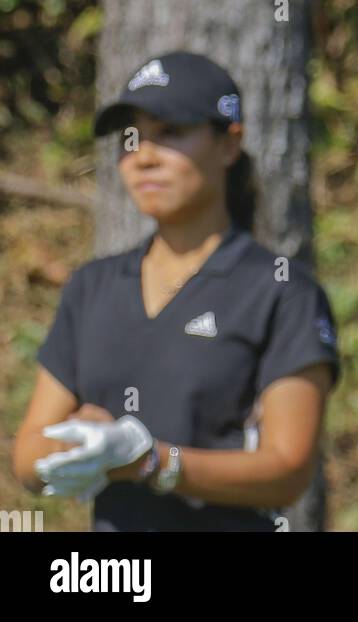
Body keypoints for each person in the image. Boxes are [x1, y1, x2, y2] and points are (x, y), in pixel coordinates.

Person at [13, 50, 340, 532]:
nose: (143, 157)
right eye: (132, 139)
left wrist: (153, 463)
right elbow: (27, 459)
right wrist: (78, 442)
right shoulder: (92, 287)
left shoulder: (280, 292)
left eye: (170, 133)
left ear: (229, 145)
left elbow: (288, 470)